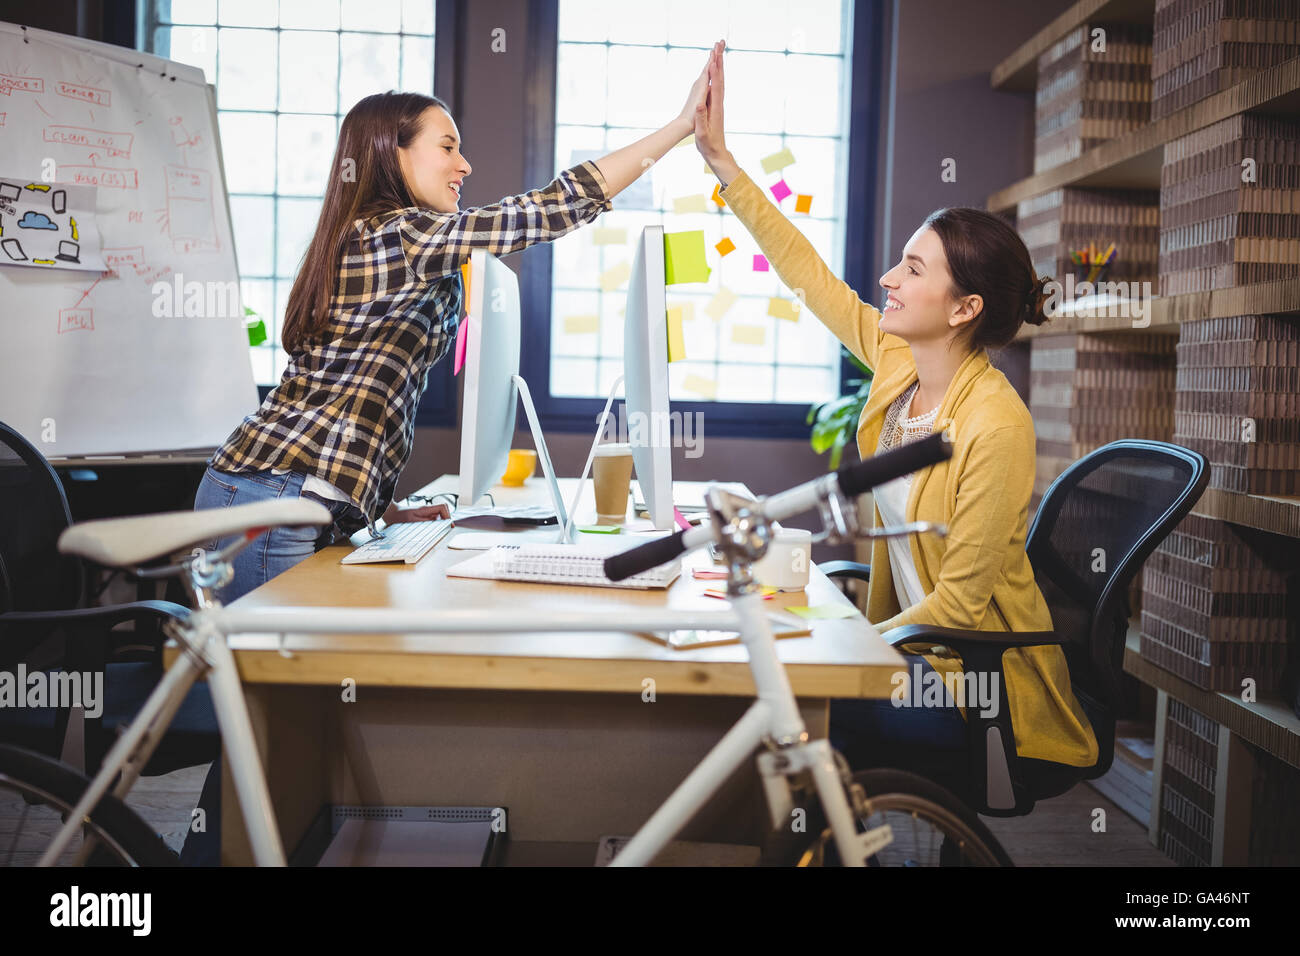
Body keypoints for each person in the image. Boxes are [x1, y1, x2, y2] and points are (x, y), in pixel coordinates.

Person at [181, 50, 718, 863]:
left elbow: (357, 408)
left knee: (273, 739)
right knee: (263, 739)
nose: (465, 163)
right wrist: (679, 129)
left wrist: (385, 509)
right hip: (269, 500)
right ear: (392, 153)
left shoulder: (393, 244)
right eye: (446, 144)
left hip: (288, 492)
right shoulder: (396, 233)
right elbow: (542, 212)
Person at [692, 42, 1097, 795]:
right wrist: (723, 163)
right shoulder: (898, 364)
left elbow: (963, 607)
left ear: (964, 308)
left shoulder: (995, 425)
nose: (888, 279)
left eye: (914, 269)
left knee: (784, 712)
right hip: (911, 661)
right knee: (762, 695)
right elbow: (809, 274)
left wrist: (844, 647)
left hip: (978, 692)